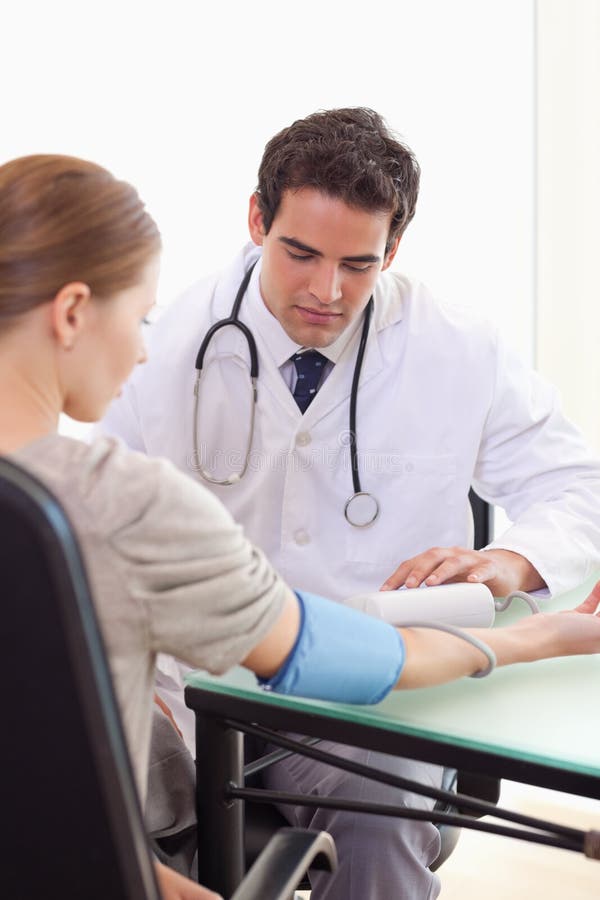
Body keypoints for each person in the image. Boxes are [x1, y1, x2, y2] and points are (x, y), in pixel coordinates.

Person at [97, 107, 600, 900]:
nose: (327, 291)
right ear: (258, 219)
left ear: (393, 247)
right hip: (200, 698)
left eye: (359, 264)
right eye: (300, 253)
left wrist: (508, 560)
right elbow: (100, 548)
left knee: (379, 800)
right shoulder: (161, 346)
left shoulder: (456, 345)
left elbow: (578, 487)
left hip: (382, 688)